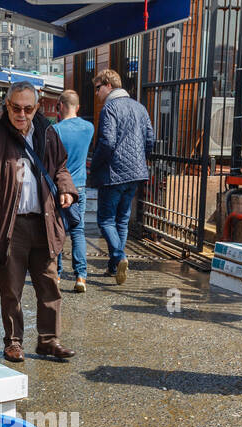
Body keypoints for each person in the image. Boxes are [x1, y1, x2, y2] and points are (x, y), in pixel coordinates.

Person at [0, 81, 79, 363]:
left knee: (49, 285)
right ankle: (13, 342)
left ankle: (49, 340)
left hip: (44, 221)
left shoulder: (48, 133)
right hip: (8, 225)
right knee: (11, 289)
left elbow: (60, 166)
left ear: (36, 107)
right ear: (7, 106)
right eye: (16, 108)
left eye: (28, 108)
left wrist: (66, 188)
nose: (22, 114)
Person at [89, 68, 154, 284]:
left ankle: (119, 256)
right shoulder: (140, 108)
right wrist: (139, 160)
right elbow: (150, 140)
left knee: (106, 220)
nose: (96, 93)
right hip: (135, 173)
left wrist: (95, 164)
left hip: (113, 173)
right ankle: (113, 266)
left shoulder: (109, 108)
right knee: (122, 221)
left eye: (98, 88)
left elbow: (107, 141)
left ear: (108, 85)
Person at [52, 90, 94, 293]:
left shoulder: (55, 130)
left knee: (58, 229)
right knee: (78, 230)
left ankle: (57, 274)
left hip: (60, 186)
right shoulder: (89, 128)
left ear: (60, 106)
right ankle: (80, 277)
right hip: (80, 186)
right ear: (77, 107)